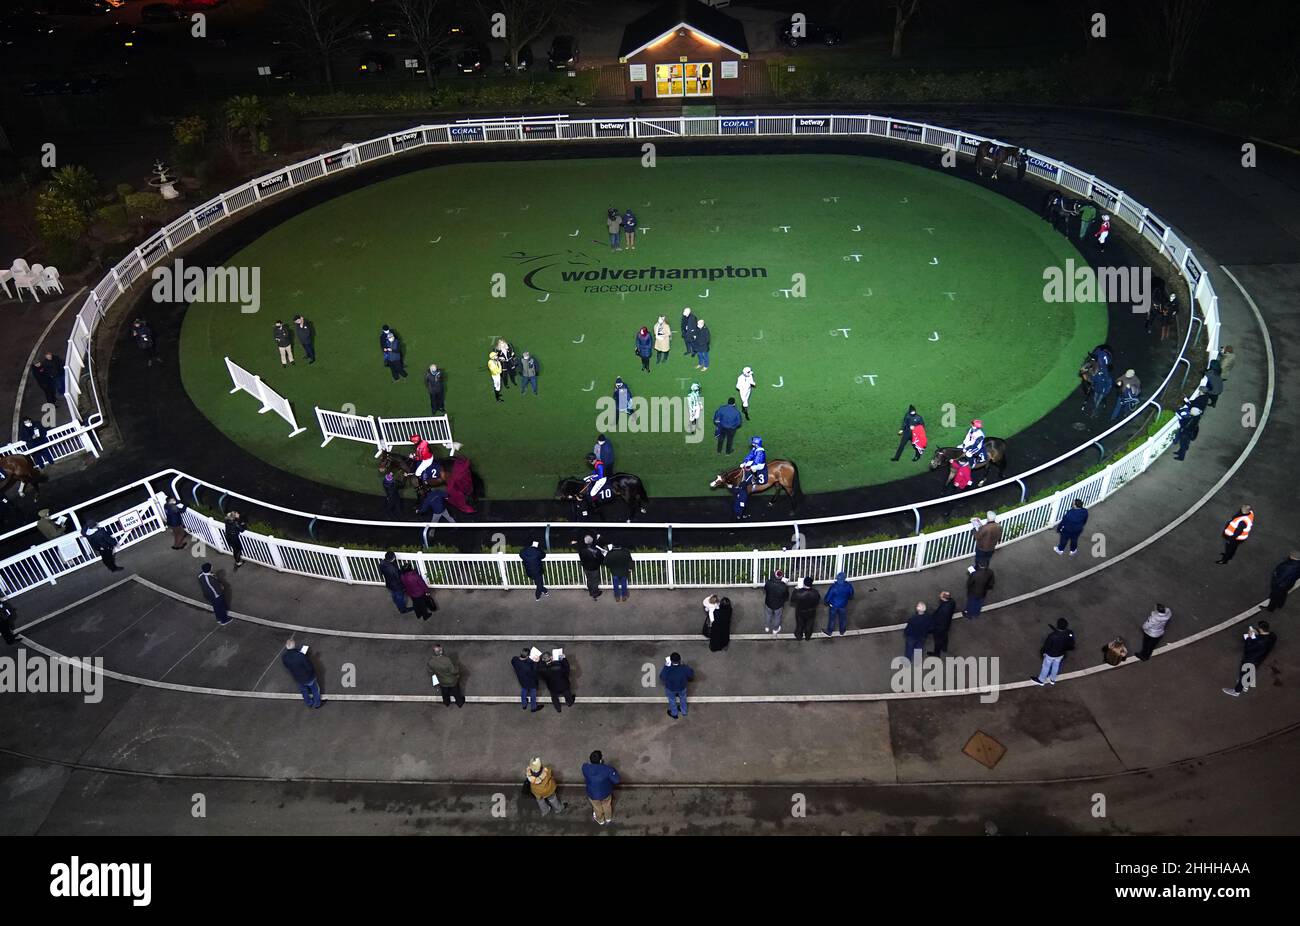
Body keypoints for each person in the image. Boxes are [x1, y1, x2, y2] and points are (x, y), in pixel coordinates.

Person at [1223, 622, 1276, 696]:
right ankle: (1246, 685)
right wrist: (1257, 634)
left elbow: (1247, 649)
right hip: (1259, 659)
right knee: (1250, 672)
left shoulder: (1258, 641)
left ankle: (1236, 691)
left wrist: (1249, 637)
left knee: (1243, 675)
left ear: (1260, 629)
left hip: (1250, 659)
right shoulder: (1273, 636)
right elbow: (1263, 640)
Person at [1032, 618, 1076, 685]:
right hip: (1061, 654)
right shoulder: (1069, 633)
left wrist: (1043, 652)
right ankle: (1052, 679)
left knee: (1046, 666)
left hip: (1050, 654)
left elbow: (1047, 646)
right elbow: (1071, 643)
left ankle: (1041, 680)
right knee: (1056, 665)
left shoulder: (1052, 636)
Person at [582, 750, 620, 825]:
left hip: (592, 794)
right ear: (600, 760)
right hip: (606, 793)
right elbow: (616, 780)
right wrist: (613, 771)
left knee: (597, 807)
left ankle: (600, 820)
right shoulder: (608, 769)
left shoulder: (585, 767)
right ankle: (608, 818)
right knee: (607, 805)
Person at [281, 638, 322, 708]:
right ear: (293, 645)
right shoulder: (300, 656)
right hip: (308, 677)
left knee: (304, 691)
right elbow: (309, 667)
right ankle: (317, 704)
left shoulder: (284, 657)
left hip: (298, 678)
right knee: (315, 690)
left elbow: (287, 666)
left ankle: (309, 703)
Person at [660, 652, 694, 718]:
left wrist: (666, 666)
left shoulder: (668, 669)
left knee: (672, 700)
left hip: (671, 688)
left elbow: (662, 677)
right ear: (680, 660)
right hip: (682, 688)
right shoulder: (684, 668)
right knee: (683, 698)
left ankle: (674, 713)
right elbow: (691, 675)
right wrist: (686, 666)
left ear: (671, 661)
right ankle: (684, 711)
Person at [574, 534, 606, 599]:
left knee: (589, 579)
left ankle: (591, 591)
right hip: (594, 568)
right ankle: (595, 593)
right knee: (595, 581)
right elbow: (601, 559)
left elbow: (581, 558)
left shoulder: (581, 550)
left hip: (586, 567)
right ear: (592, 541)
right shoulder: (596, 550)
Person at [823, 571, 854, 636]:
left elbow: (829, 596)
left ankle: (829, 631)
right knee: (843, 618)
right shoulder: (848, 586)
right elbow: (851, 594)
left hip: (833, 605)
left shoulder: (834, 587)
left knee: (832, 619)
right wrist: (848, 598)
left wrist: (826, 602)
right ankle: (842, 631)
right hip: (843, 605)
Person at [790, 577, 821, 641]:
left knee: (800, 624)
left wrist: (795, 590)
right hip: (811, 611)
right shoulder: (815, 592)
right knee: (809, 624)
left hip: (800, 611)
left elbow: (792, 600)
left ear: (804, 583)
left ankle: (799, 636)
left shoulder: (798, 592)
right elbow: (817, 601)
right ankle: (808, 636)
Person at [762, 569, 791, 635]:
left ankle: (767, 627)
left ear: (774, 575)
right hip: (778, 605)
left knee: (768, 615)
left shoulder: (769, 582)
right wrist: (784, 584)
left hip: (768, 602)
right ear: (781, 577)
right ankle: (775, 629)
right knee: (777, 617)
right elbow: (786, 596)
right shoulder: (783, 586)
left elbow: (765, 589)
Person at [928, 591, 956, 656]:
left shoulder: (943, 610)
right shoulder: (952, 602)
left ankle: (937, 653)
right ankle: (944, 647)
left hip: (940, 628)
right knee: (945, 636)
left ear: (944, 598)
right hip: (946, 625)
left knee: (938, 640)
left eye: (940, 596)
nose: (939, 596)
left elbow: (937, 620)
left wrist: (931, 627)